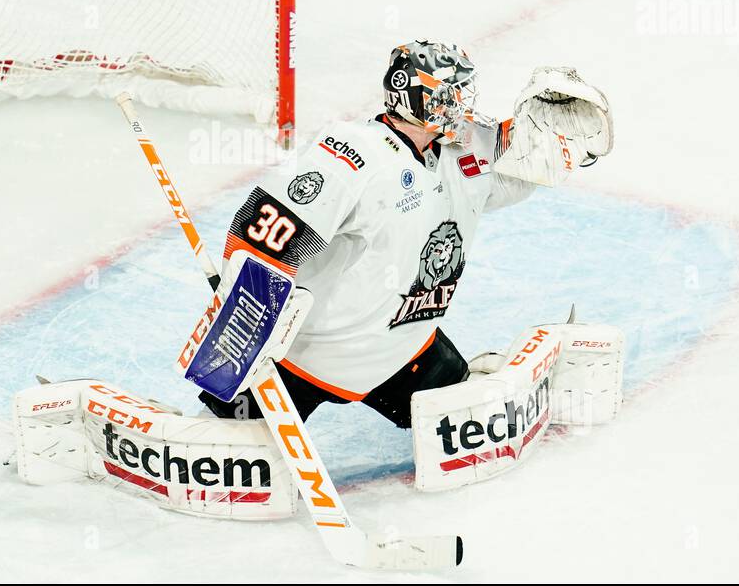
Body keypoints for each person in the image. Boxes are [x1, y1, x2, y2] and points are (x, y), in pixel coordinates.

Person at [199, 40, 611, 427]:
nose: (462, 106)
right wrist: (246, 311)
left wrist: (549, 133)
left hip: (403, 345)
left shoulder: (463, 144)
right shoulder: (353, 152)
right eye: (452, 96)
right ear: (417, 99)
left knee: (473, 415)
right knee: (223, 442)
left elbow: (528, 162)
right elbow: (259, 236)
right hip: (314, 354)